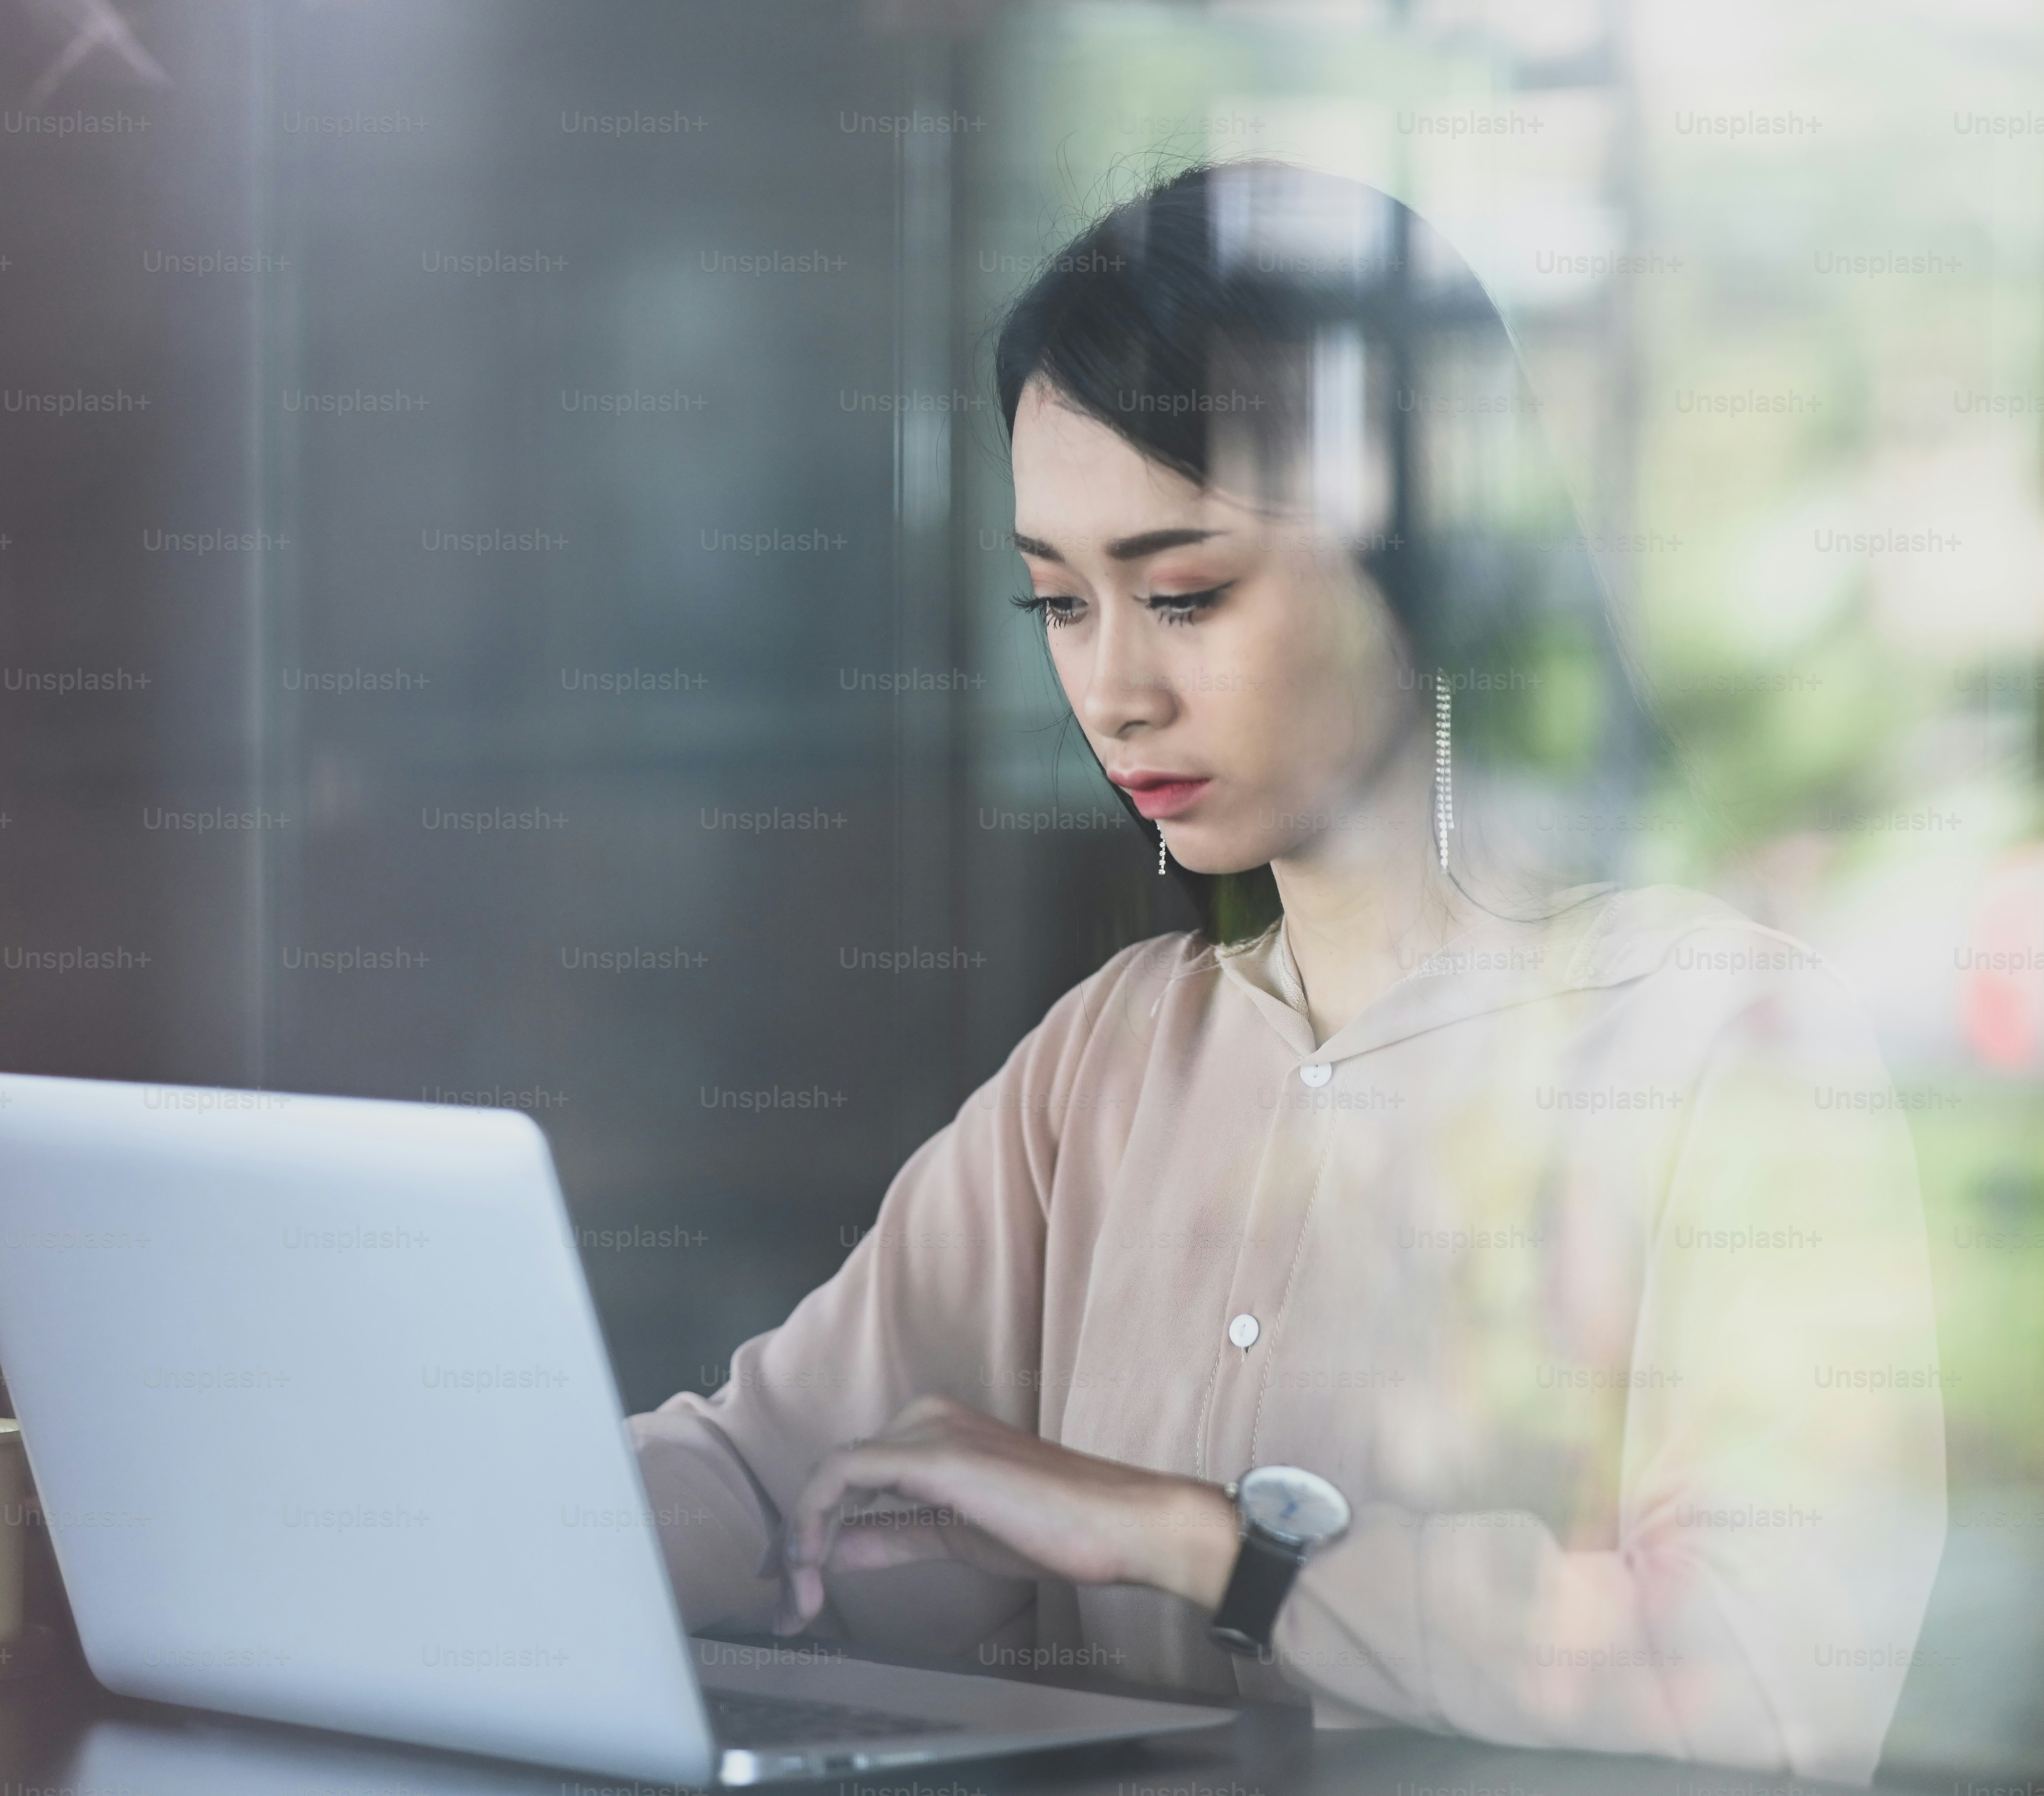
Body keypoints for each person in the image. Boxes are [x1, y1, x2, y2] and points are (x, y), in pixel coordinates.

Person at [626, 162, 1946, 1783]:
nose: (1111, 690)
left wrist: (1200, 1546)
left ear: (1417, 553)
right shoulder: (1111, 1062)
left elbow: (1769, 1671)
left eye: (1183, 593)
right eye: (1057, 602)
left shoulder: (1714, 1043)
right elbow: (766, 1478)